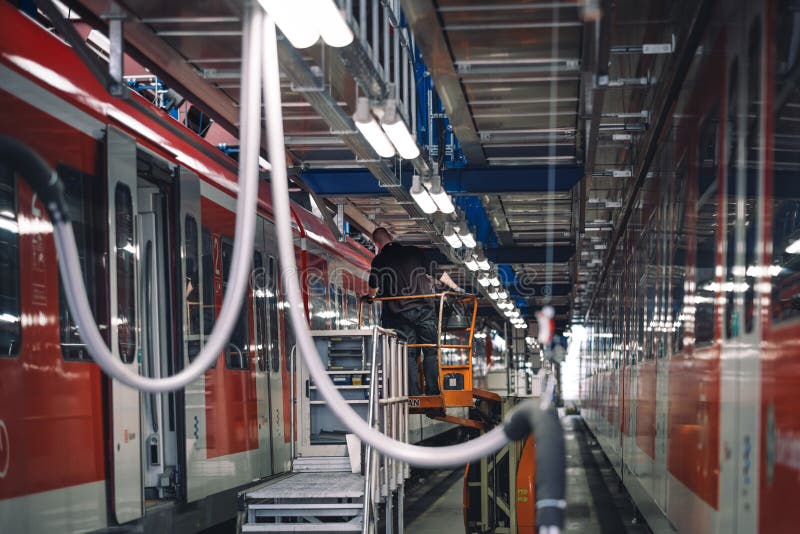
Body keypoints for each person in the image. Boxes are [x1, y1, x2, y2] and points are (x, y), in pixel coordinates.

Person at [368, 227, 455, 396]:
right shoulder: (414, 252)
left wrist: (370, 297)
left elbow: (373, 286)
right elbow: (438, 273)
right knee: (430, 352)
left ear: (376, 244)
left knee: (409, 353)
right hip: (424, 310)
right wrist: (456, 287)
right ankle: (433, 392)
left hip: (400, 314)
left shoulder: (379, 260)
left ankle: (413, 394)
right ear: (391, 236)